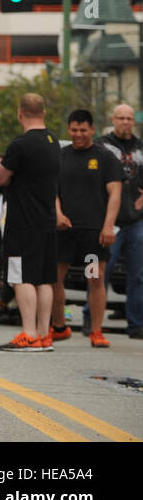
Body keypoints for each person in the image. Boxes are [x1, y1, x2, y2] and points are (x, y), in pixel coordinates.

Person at [0, 94, 62, 352]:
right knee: (44, 278)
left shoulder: (20, 144)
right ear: (43, 112)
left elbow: (0, 178)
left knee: (21, 277)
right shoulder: (54, 141)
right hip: (47, 220)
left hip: (23, 222)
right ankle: (44, 335)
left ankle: (29, 333)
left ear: (20, 114)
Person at [53, 110, 121, 347]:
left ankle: (96, 331)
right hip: (64, 231)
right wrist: (58, 214)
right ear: (68, 129)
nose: (78, 134)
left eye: (83, 130)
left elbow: (115, 193)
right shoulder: (60, 156)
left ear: (92, 130)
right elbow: (53, 191)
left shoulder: (105, 157)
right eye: (74, 130)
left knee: (94, 278)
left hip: (93, 233)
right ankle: (59, 327)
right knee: (55, 279)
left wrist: (108, 226)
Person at [98, 104, 143, 339]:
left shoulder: (140, 147)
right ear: (113, 119)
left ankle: (136, 325)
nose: (125, 122)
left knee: (138, 275)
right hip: (108, 221)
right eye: (121, 118)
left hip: (136, 221)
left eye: (129, 118)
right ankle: (91, 320)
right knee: (98, 272)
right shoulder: (102, 145)